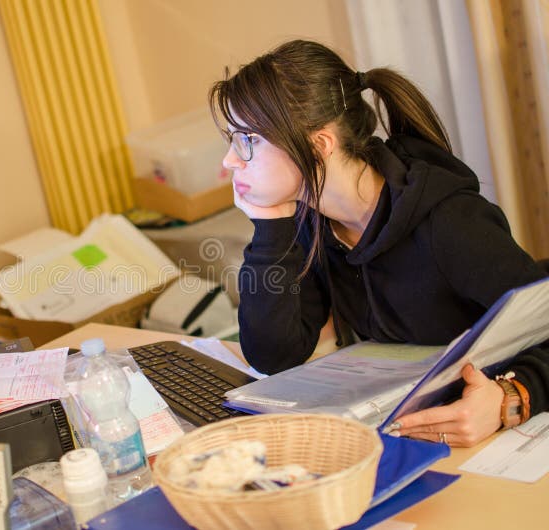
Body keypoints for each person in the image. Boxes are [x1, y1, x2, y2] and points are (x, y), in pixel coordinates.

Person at [210, 39, 548, 447]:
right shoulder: (311, 222)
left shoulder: (449, 223)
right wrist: (269, 230)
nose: (230, 161)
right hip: (414, 431)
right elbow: (274, 355)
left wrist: (509, 398)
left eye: (247, 140)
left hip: (496, 433)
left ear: (318, 146)